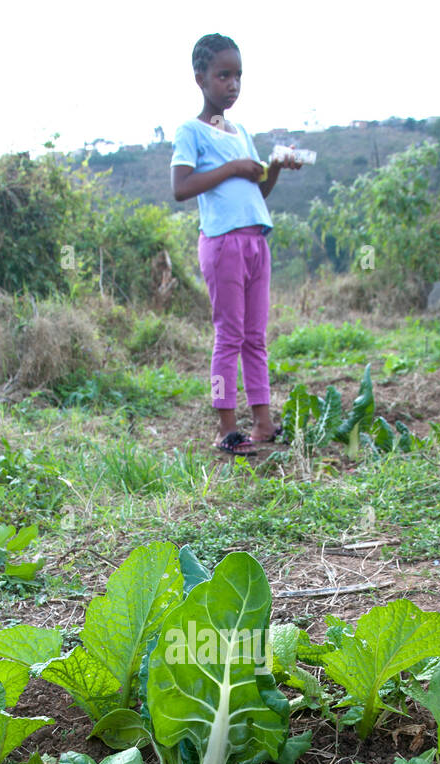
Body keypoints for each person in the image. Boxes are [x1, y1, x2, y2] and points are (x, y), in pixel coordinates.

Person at [171, 33, 301, 454]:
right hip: (222, 244)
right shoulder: (191, 131)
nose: (233, 84)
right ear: (200, 79)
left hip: (255, 241)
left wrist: (274, 167)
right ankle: (227, 428)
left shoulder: (241, 132)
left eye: (238, 76)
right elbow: (181, 187)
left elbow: (257, 192)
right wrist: (231, 167)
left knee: (255, 337)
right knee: (228, 337)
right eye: (223, 75)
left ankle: (263, 424)